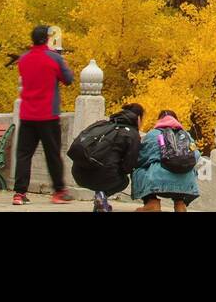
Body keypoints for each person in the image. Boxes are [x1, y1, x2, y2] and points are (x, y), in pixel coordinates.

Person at [12, 25, 74, 206]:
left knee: (23, 154)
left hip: (27, 113)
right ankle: (59, 191)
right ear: (47, 39)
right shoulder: (54, 58)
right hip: (48, 114)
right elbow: (68, 79)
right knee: (52, 154)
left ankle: (19, 193)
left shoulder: (24, 59)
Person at [69, 103, 144, 212]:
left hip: (78, 173)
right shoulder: (132, 134)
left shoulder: (102, 124)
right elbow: (129, 165)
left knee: (104, 169)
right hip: (105, 178)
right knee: (123, 180)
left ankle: (100, 199)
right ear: (138, 118)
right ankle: (101, 196)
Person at [132, 109, 201, 212]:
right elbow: (196, 155)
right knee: (190, 169)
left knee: (137, 170)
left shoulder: (153, 134)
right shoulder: (186, 136)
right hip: (186, 185)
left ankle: (151, 202)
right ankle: (180, 204)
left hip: (158, 183)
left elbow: (142, 158)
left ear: (159, 120)